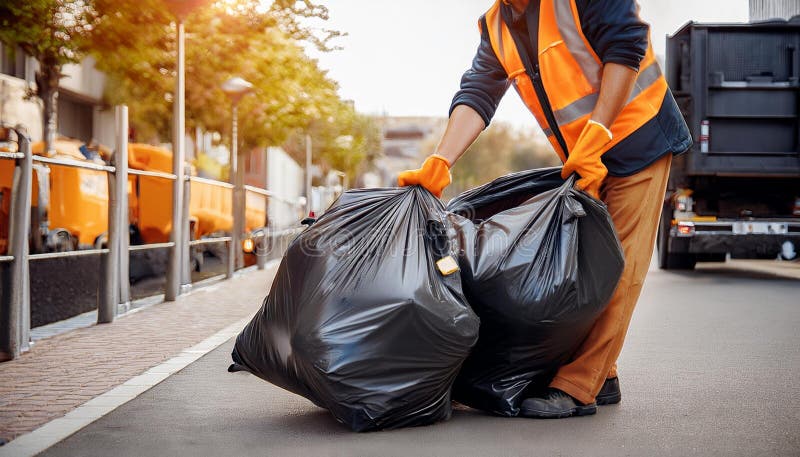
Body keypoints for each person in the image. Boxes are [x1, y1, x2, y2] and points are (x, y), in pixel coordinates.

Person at [398, 0, 691, 418]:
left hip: (639, 138)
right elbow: (479, 91)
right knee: (582, 266)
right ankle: (603, 374)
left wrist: (599, 130)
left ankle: (578, 384)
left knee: (618, 269)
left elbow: (627, 45)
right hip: (583, 158)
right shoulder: (497, 25)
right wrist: (441, 159)